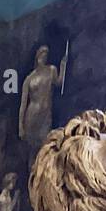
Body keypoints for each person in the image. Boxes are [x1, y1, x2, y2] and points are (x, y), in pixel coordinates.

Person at [19, 41, 68, 183]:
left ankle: (42, 181)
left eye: (46, 53)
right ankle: (31, 180)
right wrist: (21, 126)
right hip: (31, 115)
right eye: (42, 53)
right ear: (37, 56)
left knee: (44, 146)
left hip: (45, 114)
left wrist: (63, 66)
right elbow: (23, 104)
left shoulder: (51, 70)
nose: (44, 56)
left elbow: (59, 82)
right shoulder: (29, 78)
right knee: (32, 150)